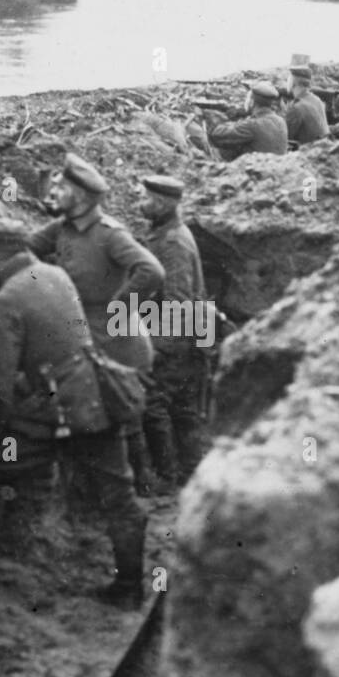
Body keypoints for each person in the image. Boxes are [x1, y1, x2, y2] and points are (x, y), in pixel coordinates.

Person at [0, 218, 148, 608]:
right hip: (97, 394)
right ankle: (130, 587)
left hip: (60, 413)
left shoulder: (5, 304)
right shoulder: (53, 273)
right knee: (118, 493)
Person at [29, 152, 163, 496]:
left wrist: (121, 310)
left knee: (122, 417)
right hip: (88, 339)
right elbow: (25, 248)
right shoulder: (61, 228)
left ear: (84, 197)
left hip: (119, 343)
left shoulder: (109, 235)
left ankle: (142, 491)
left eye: (62, 187)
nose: (55, 191)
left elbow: (151, 271)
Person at [137, 175, 209, 494]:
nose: (141, 203)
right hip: (190, 333)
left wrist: (155, 346)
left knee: (155, 404)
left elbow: (177, 301)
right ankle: (193, 473)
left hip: (177, 335)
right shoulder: (166, 233)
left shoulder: (173, 243)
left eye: (147, 198)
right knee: (183, 407)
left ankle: (167, 478)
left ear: (164, 204)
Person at [209, 80, 289, 158]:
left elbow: (217, 134)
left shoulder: (253, 125)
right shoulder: (281, 121)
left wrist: (221, 120)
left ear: (252, 102)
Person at [284, 65, 328, 147]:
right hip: (321, 148)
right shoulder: (317, 100)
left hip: (306, 153)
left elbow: (285, 136)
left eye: (289, 78)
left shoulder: (296, 107)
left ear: (294, 82)